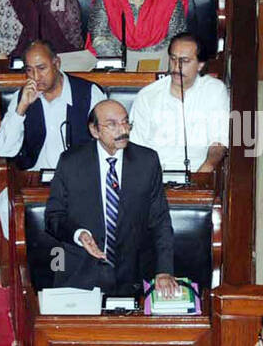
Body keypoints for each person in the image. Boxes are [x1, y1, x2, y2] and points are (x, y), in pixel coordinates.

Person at [41, 99, 178, 297]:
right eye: (112, 124)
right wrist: (79, 234)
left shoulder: (146, 161)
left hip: (133, 274)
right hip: (81, 271)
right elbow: (53, 217)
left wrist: (164, 270)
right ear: (94, 130)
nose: (123, 130)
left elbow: (160, 220)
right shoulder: (71, 162)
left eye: (125, 122)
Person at [0, 41, 104, 171]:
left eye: (41, 68)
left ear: (56, 63)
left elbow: (108, 142)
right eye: (29, 70)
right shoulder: (22, 97)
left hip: (78, 176)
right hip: (34, 177)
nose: (36, 77)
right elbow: (2, 150)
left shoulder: (89, 93)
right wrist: (21, 109)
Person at [128, 34, 229, 175]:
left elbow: (219, 142)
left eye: (185, 61)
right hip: (155, 176)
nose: (176, 67)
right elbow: (136, 148)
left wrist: (203, 172)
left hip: (200, 174)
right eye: (173, 59)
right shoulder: (147, 95)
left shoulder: (214, 90)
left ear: (200, 65)